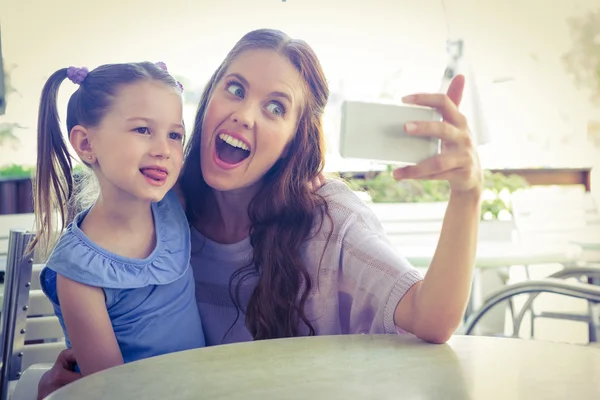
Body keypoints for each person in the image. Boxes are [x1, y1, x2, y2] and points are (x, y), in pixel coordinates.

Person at [38, 28, 482, 398]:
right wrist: (56, 388)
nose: (245, 114)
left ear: (294, 139)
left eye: (276, 107)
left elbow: (433, 317)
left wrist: (467, 194)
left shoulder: (330, 221)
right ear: (208, 100)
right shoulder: (166, 211)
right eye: (234, 89)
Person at [32, 61, 205, 378]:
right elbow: (110, 389)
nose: (164, 150)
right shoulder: (78, 272)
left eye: (175, 135)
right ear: (87, 144)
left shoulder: (173, 204)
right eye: (142, 130)